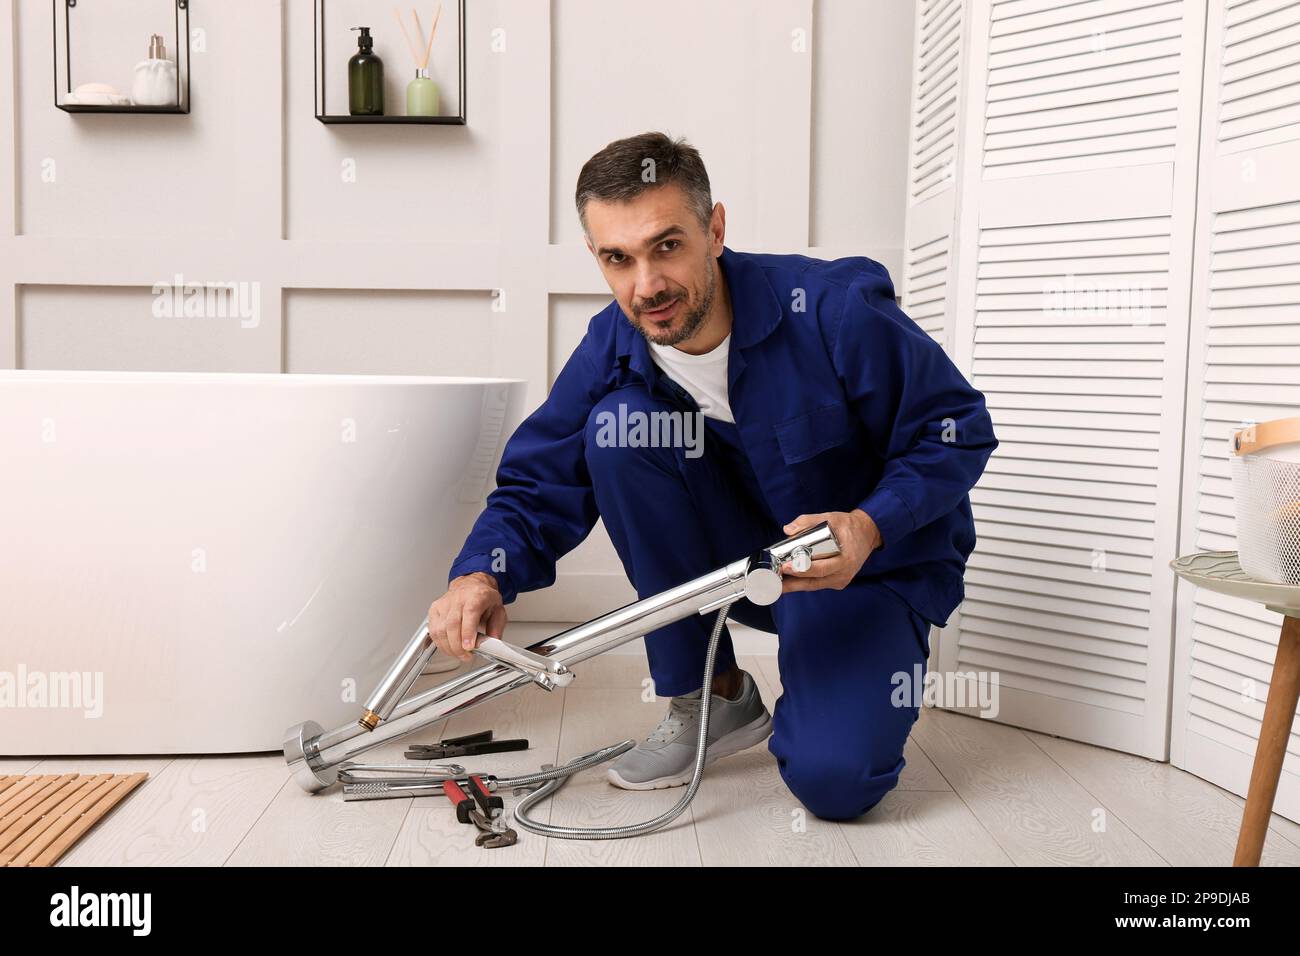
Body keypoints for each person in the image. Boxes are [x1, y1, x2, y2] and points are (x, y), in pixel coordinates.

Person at [426, 131, 998, 820]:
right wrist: (480, 575)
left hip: (865, 569)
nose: (647, 286)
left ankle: (844, 679)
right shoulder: (613, 341)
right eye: (618, 258)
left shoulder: (832, 310)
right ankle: (714, 698)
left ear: (715, 229)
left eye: (667, 245)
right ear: (597, 258)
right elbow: (537, 480)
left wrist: (871, 525)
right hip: (740, 563)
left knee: (836, 782)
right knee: (615, 429)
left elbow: (956, 428)